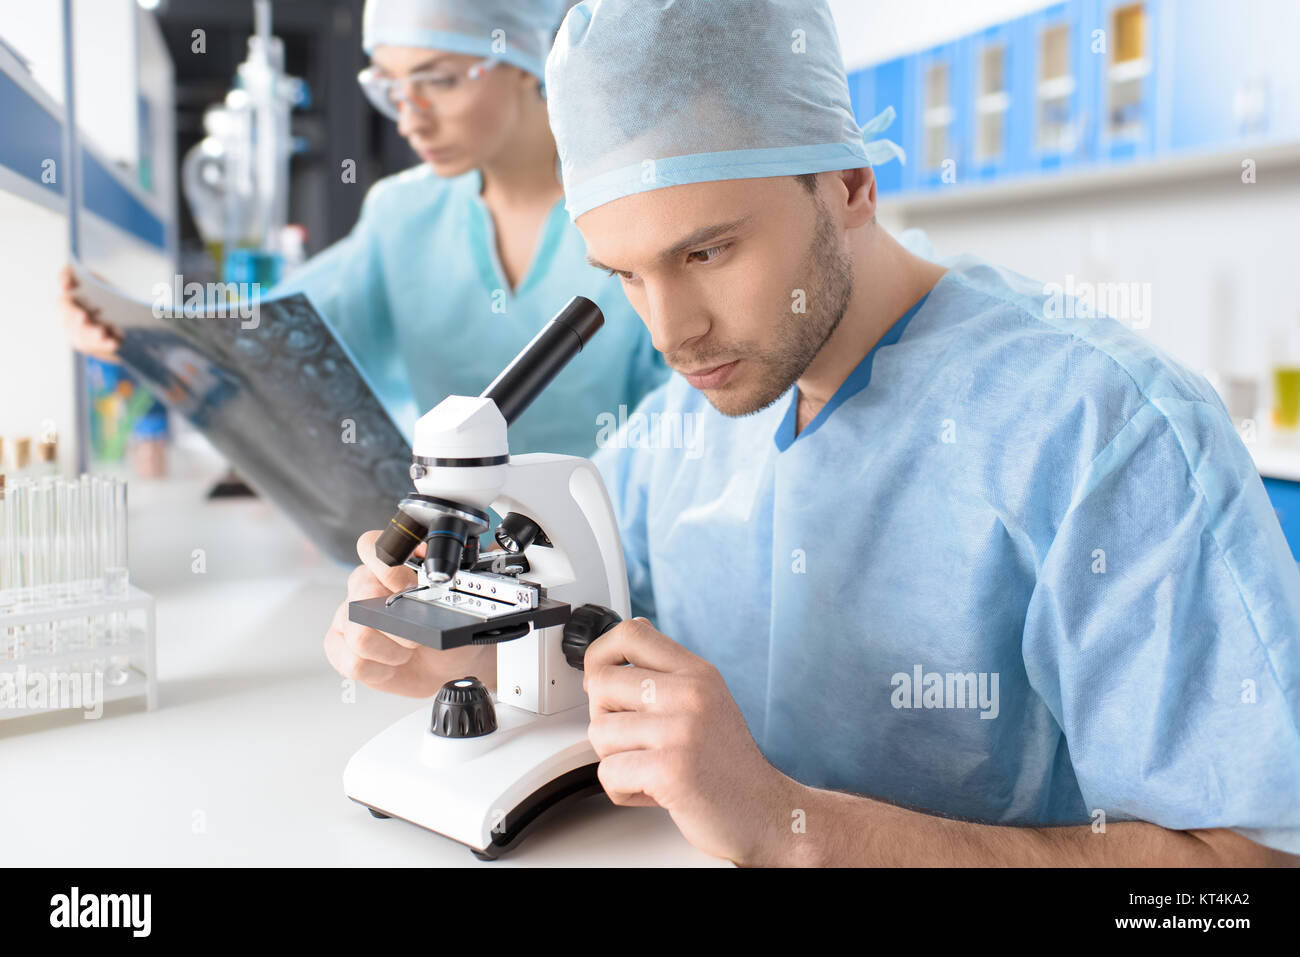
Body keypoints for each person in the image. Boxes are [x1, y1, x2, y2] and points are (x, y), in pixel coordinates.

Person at [329, 0, 1300, 866]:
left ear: (847, 184)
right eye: (624, 275)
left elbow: (1242, 870)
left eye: (706, 250)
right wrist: (457, 660)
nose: (670, 332)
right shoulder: (674, 439)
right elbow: (604, 667)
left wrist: (793, 828)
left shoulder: (1101, 430)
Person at [58, 0, 665, 458]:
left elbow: (687, 428)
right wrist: (137, 326)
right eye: (390, 86)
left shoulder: (636, 205)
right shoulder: (401, 217)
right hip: (453, 555)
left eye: (437, 79)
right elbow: (274, 339)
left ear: (529, 57)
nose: (409, 119)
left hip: (614, 545)